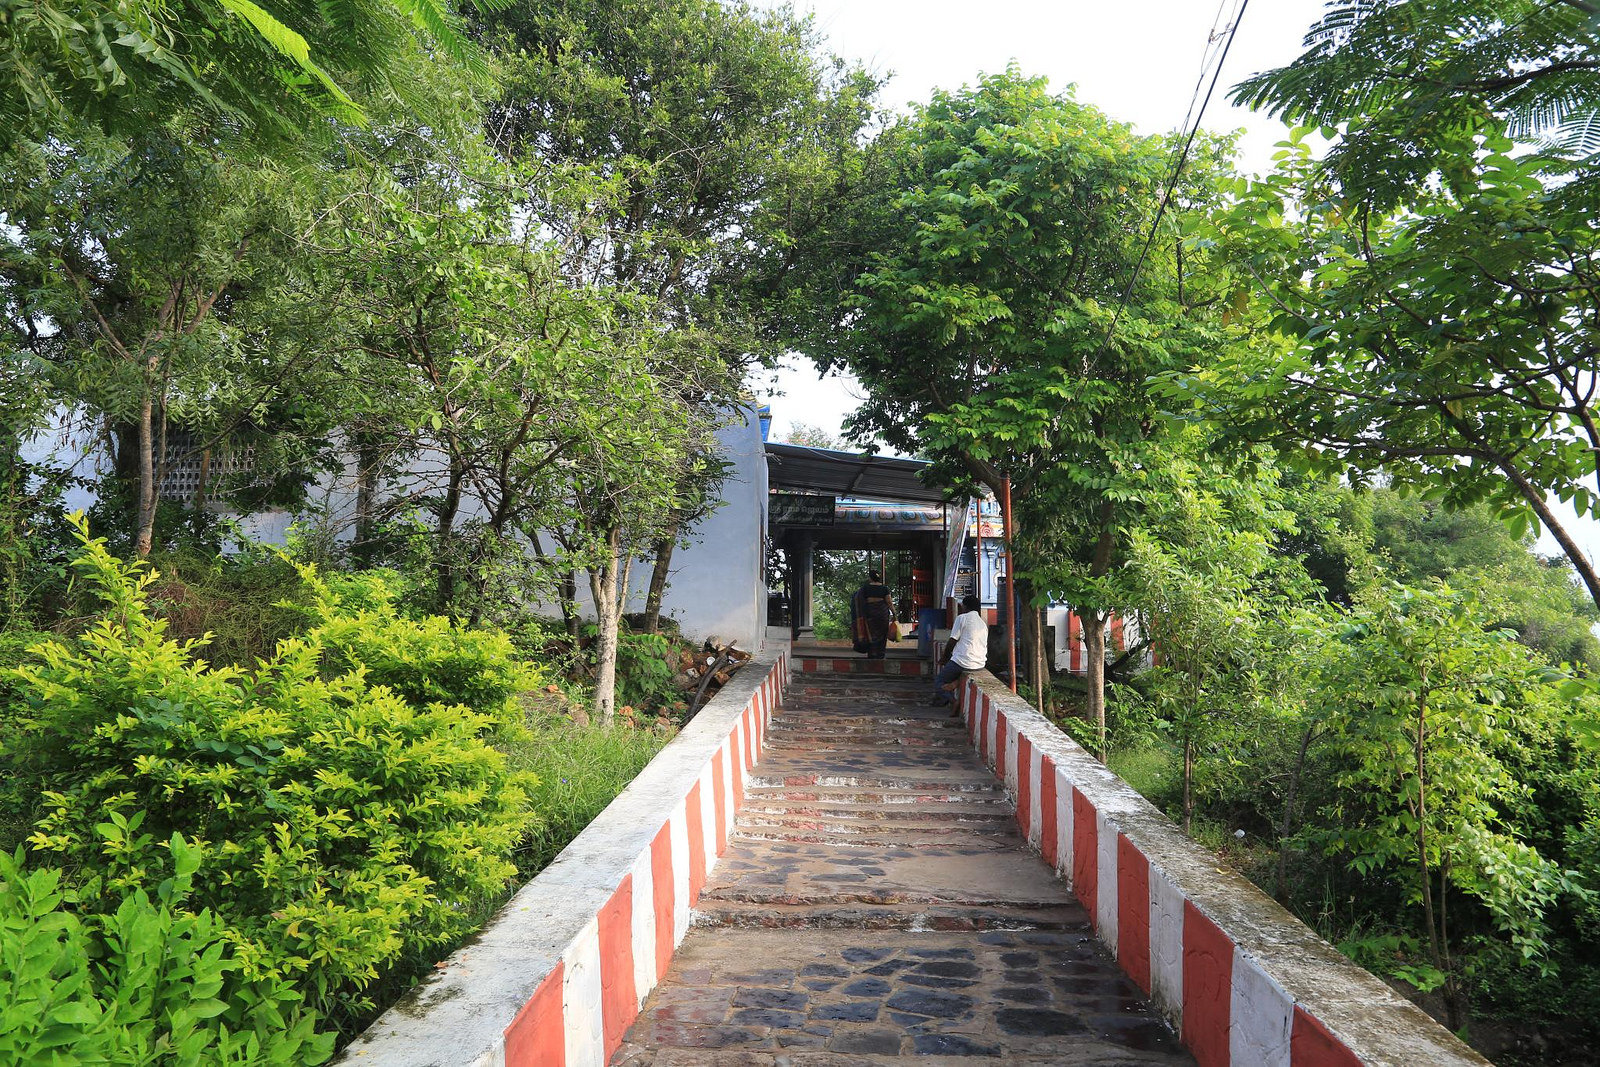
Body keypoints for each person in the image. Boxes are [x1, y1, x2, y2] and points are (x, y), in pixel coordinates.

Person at [931, 594, 987, 710]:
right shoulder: (983, 624)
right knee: (955, 666)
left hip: (963, 662)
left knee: (939, 681)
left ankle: (953, 701)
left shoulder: (962, 618)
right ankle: (956, 683)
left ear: (965, 607)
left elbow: (952, 640)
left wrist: (944, 658)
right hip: (979, 664)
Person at [850, 569, 894, 658]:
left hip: (870, 615)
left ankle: (872, 653)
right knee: (882, 634)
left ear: (870, 578)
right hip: (883, 616)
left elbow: (858, 601)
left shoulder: (865, 588)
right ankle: (881, 653)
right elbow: (889, 602)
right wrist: (895, 614)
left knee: (870, 634)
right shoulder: (884, 588)